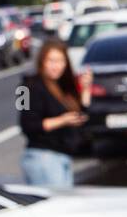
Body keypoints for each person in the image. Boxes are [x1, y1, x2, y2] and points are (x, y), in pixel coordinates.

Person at [17, 38, 89, 188]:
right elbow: (26, 125)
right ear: (42, 61)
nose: (56, 66)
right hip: (42, 157)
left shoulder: (62, 85)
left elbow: (82, 114)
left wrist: (86, 89)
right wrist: (62, 120)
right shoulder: (25, 86)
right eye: (51, 61)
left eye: (60, 61)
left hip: (64, 155)